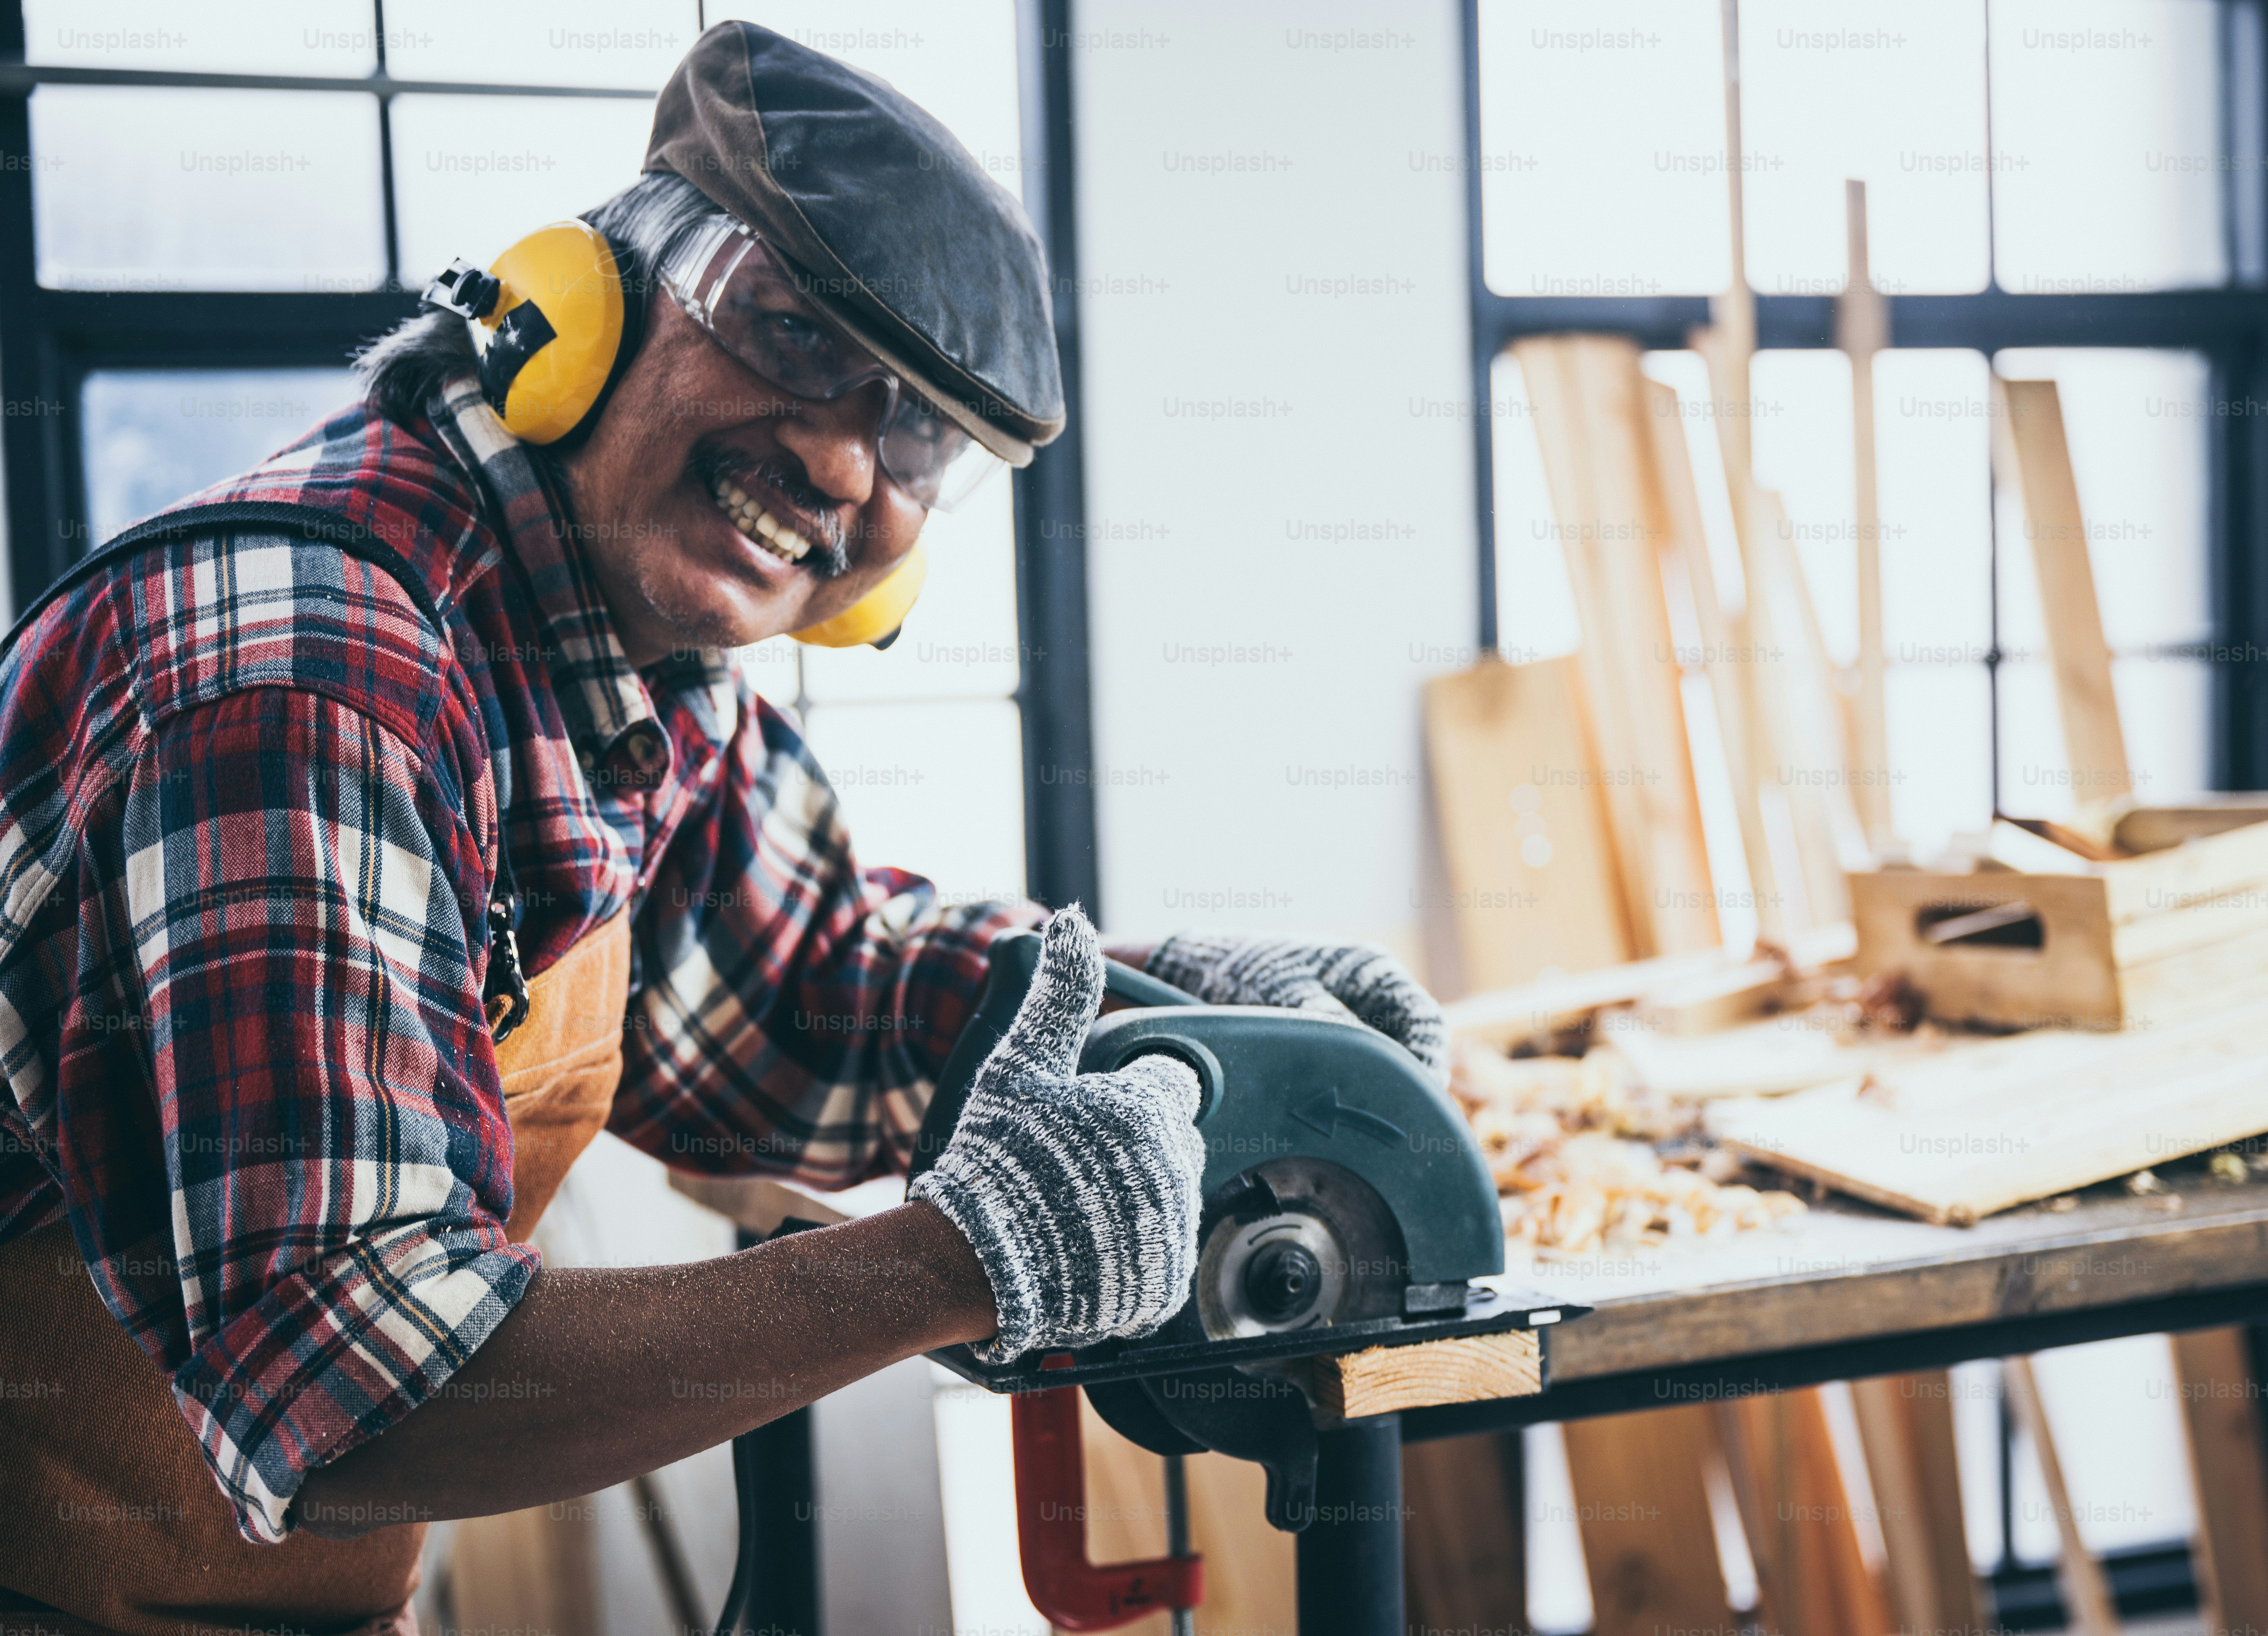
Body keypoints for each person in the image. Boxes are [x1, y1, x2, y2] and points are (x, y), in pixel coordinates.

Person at [0, 23, 1444, 1636]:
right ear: (587, 302)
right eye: (785, 330)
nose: (838, 455)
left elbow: (802, 998)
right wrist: (948, 1261)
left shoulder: (618, 662)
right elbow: (358, 1385)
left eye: (913, 435)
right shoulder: (316, 669)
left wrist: (1185, 1010)